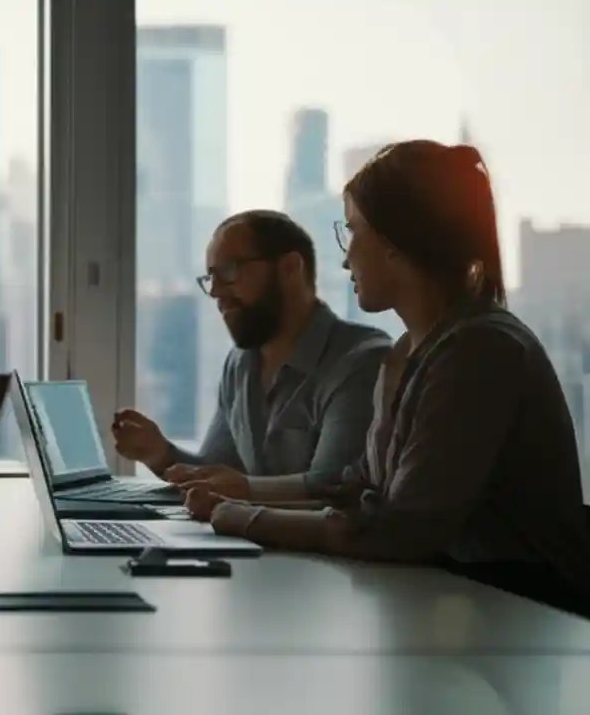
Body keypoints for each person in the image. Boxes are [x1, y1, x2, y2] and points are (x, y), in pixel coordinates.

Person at [179, 140, 590, 615]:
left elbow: (401, 530)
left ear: (396, 240)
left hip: (529, 615)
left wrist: (248, 519)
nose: (345, 257)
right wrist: (241, 503)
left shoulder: (478, 351)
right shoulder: (408, 352)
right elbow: (359, 489)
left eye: (353, 232)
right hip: (461, 605)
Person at [112, 210, 391, 486]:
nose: (215, 292)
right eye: (210, 278)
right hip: (242, 531)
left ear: (290, 268)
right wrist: (160, 454)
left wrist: (240, 494)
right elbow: (216, 473)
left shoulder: (361, 362)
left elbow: (332, 489)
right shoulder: (240, 364)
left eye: (229, 272)